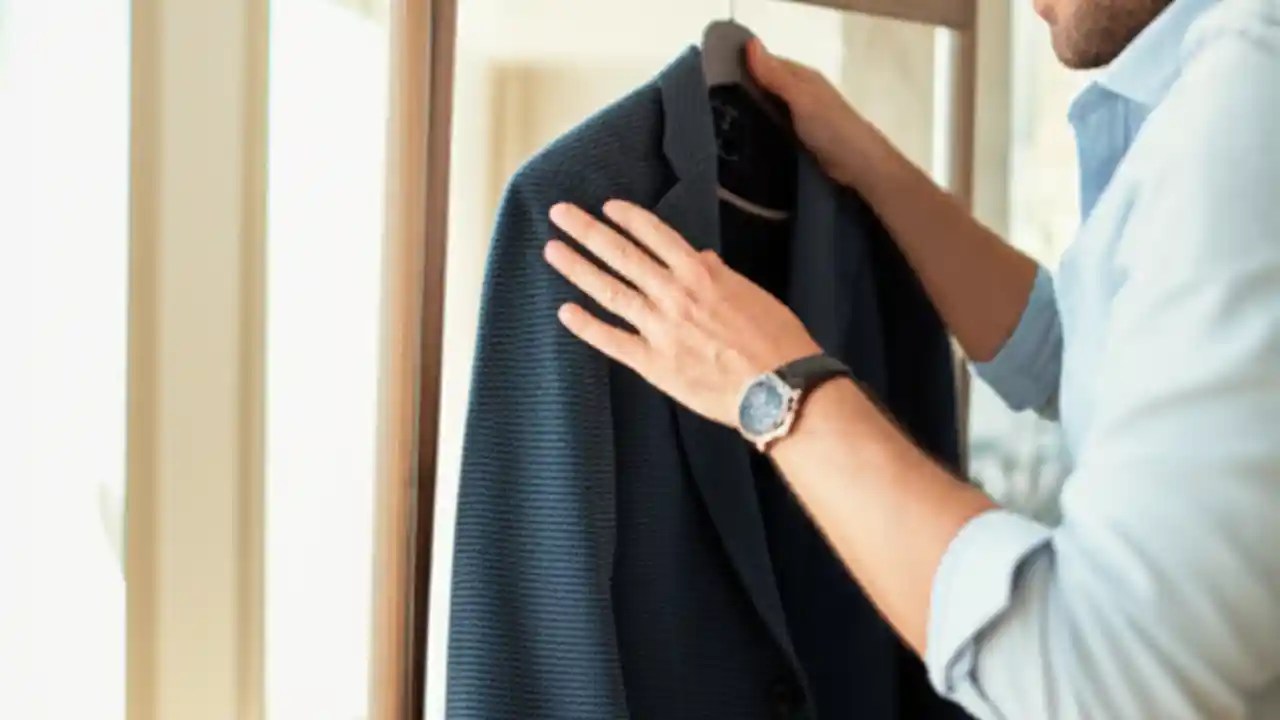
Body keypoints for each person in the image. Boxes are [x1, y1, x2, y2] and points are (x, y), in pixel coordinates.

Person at [540, 0, 1280, 717]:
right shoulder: (1202, 92)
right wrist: (874, 168)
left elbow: (1105, 682)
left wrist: (775, 387)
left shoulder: (1249, 100)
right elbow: (1081, 352)